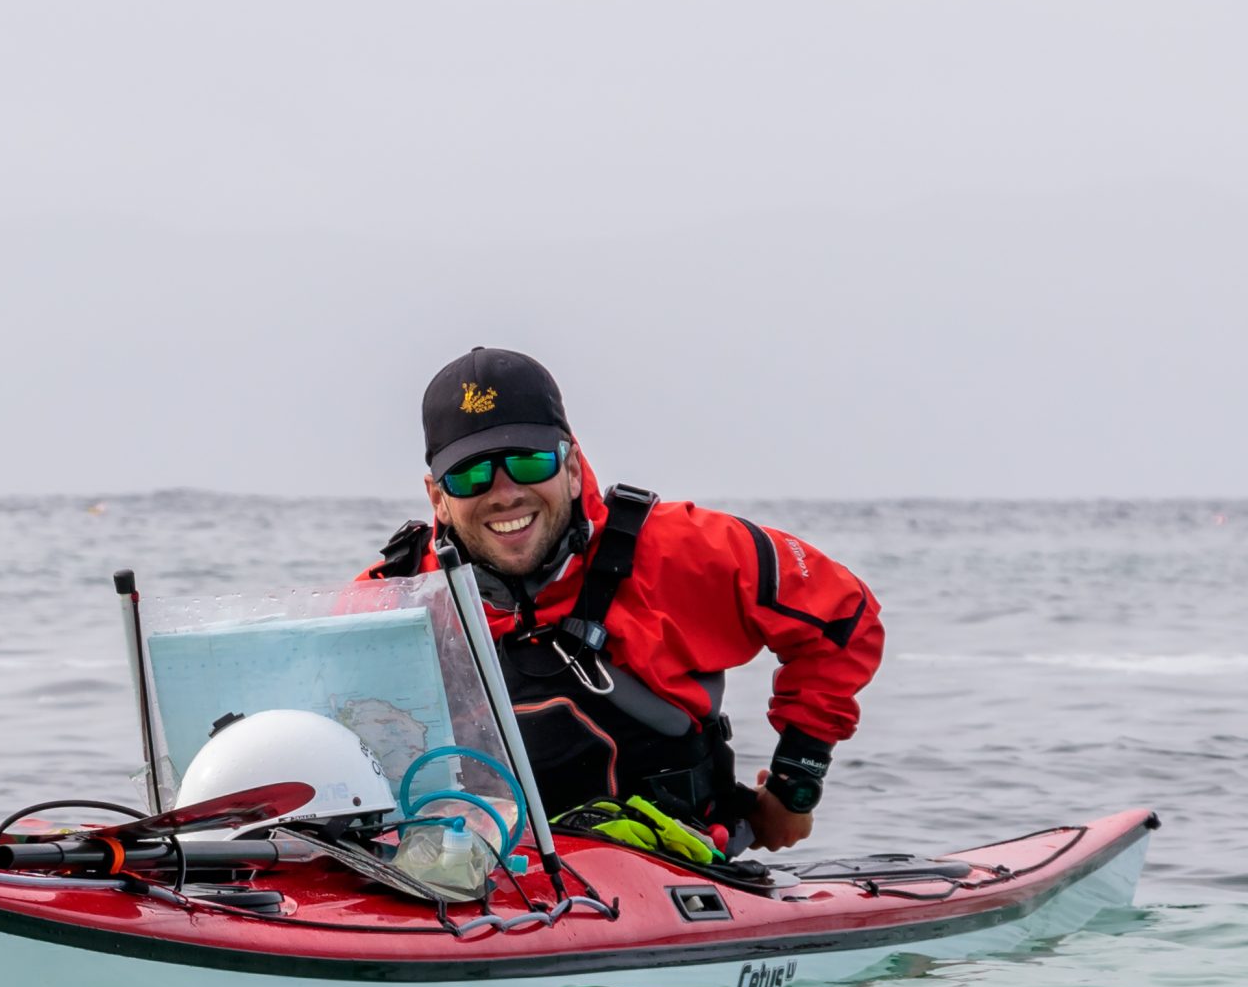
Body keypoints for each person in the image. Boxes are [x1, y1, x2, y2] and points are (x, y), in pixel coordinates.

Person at [359, 347, 883, 853]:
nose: (505, 493)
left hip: (674, 872)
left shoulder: (681, 550)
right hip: (463, 877)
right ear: (438, 498)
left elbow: (845, 616)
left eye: (528, 462)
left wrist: (794, 785)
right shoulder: (391, 599)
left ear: (571, 468)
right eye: (471, 475)